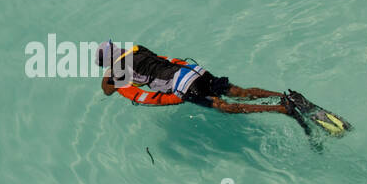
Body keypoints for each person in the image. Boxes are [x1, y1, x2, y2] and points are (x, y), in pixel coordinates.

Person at [94, 40, 350, 136]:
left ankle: (281, 109)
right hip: (192, 71)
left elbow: (116, 91)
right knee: (238, 90)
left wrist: (108, 75)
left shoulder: (117, 72)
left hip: (182, 85)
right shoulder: (137, 49)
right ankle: (285, 96)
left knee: (226, 107)